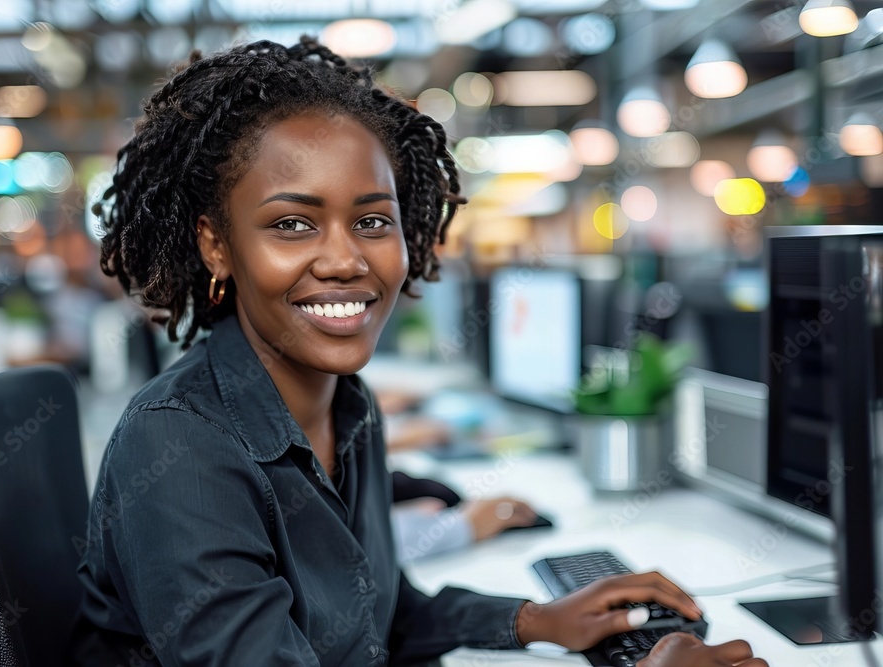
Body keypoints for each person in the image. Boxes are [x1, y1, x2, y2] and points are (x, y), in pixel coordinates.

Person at [68, 38, 768, 667]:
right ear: (217, 244)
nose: (345, 259)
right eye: (292, 224)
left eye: (373, 220)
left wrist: (536, 619)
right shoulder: (183, 446)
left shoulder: (347, 403)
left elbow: (376, 618)